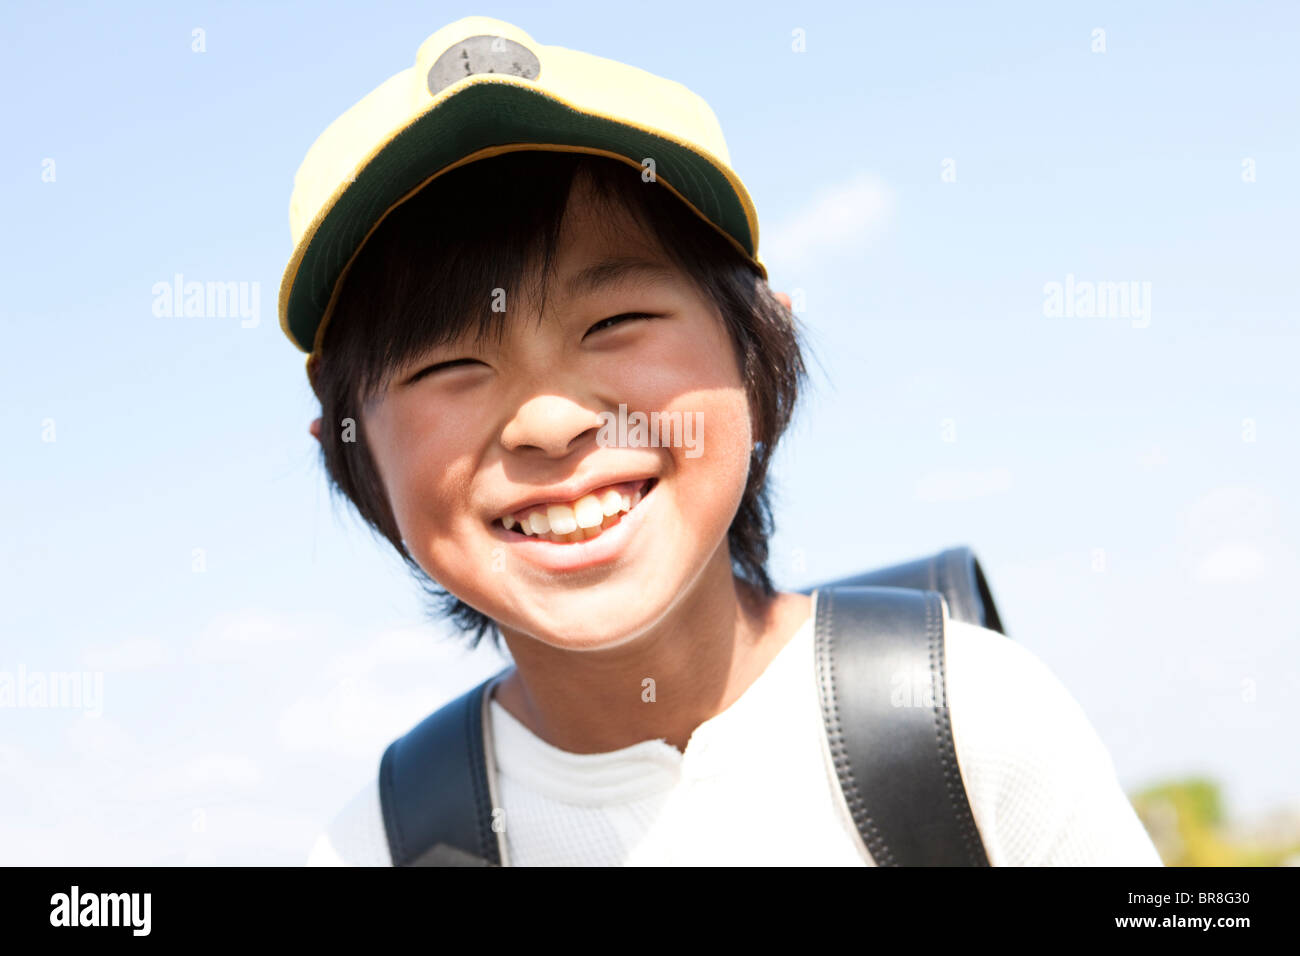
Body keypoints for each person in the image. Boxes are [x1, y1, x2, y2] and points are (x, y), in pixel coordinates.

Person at [281, 16, 1163, 866]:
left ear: (757, 341)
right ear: (347, 443)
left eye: (616, 320)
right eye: (449, 365)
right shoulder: (377, 851)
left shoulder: (975, 722)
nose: (550, 423)